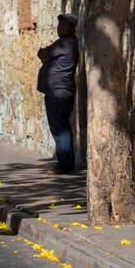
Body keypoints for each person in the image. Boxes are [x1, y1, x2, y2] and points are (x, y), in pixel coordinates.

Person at [37, 13, 79, 174]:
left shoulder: (65, 43)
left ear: (72, 28)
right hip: (58, 92)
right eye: (59, 25)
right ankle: (66, 163)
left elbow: (43, 53)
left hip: (58, 93)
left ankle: (64, 165)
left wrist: (44, 55)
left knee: (60, 129)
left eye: (63, 25)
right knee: (60, 127)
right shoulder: (66, 43)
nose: (59, 28)